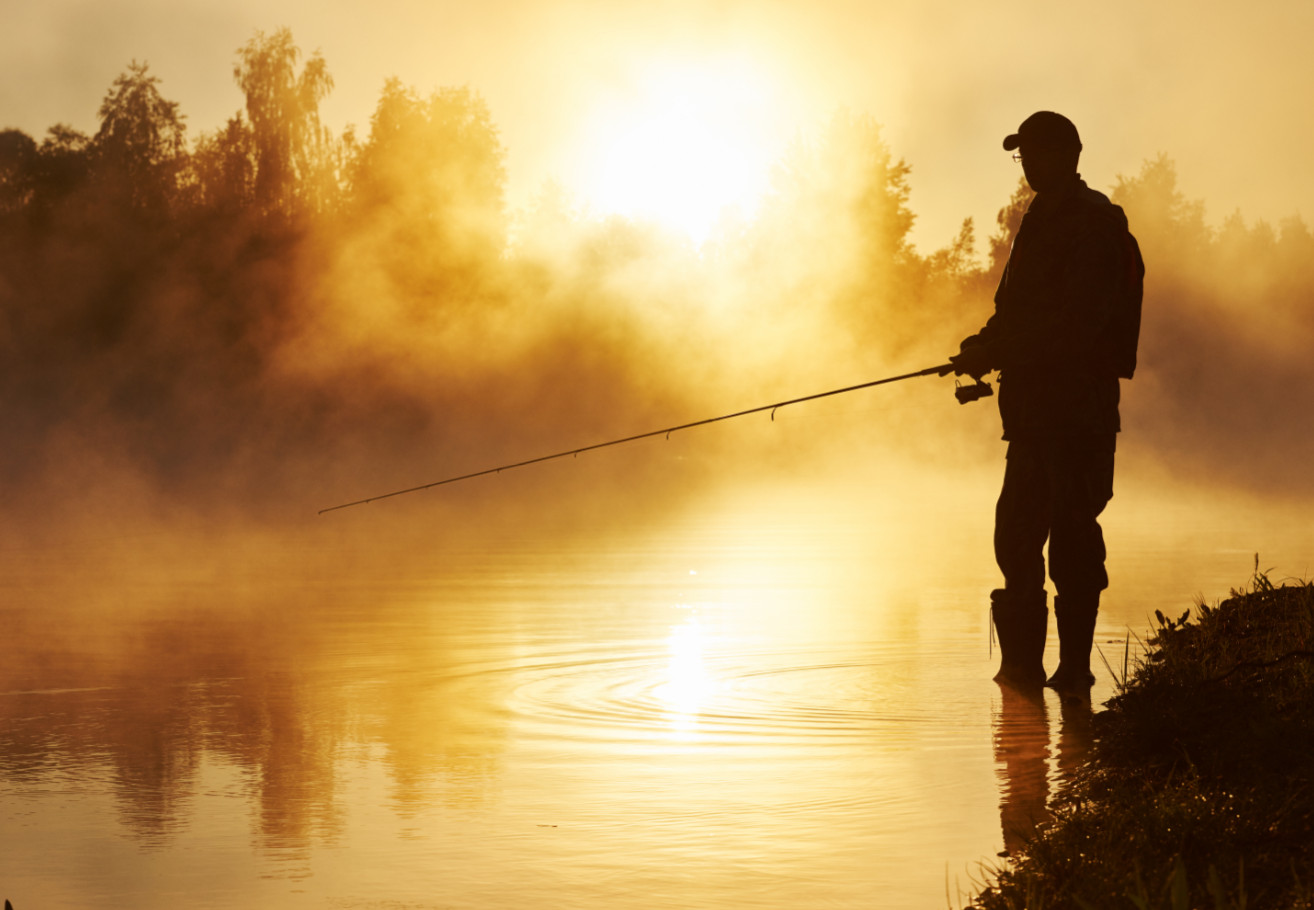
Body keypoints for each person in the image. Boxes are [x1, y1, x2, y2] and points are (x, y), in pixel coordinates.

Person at [951, 111, 1143, 694]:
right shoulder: (1037, 221)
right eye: (1024, 155)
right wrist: (983, 344)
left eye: (1039, 152)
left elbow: (1077, 325)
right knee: (1015, 539)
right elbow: (1016, 315)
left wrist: (1000, 349)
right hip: (1033, 419)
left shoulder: (1094, 225)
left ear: (1071, 155)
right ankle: (1020, 683)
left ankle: (1074, 674)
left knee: (1073, 542)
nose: (1029, 164)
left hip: (1079, 416)